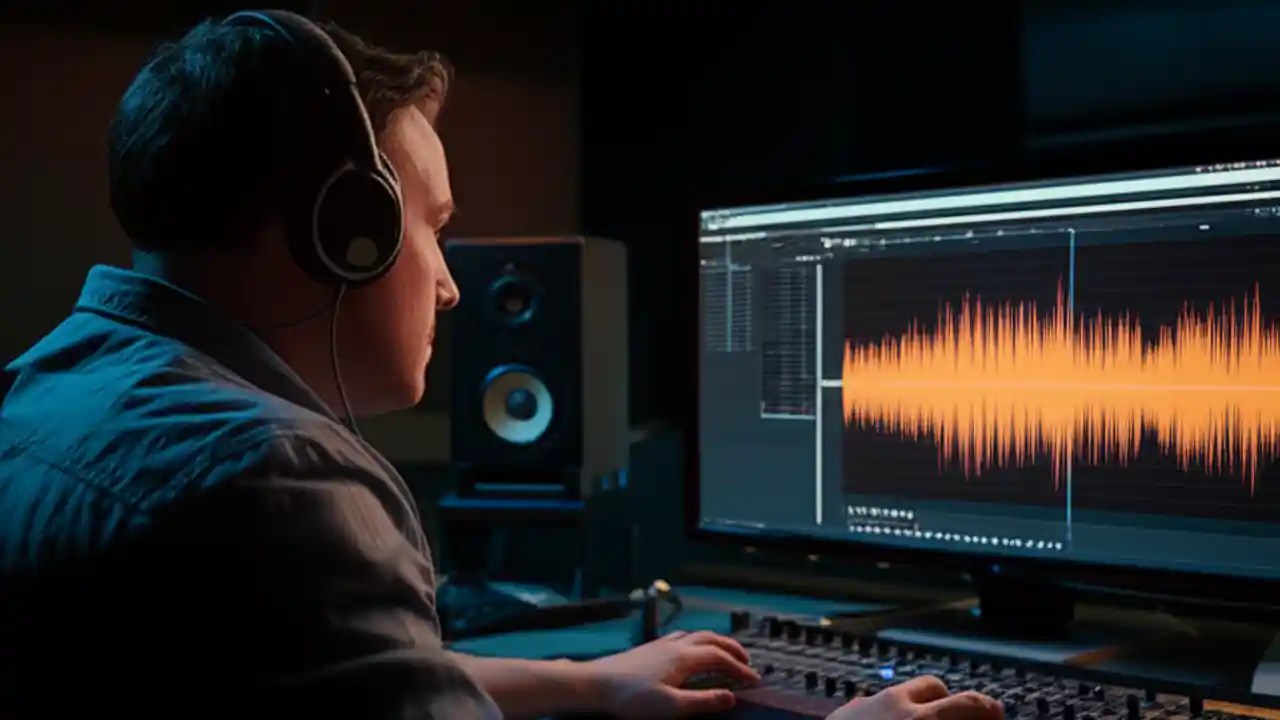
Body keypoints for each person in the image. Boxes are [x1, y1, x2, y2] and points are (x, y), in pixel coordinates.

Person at [0, 10, 1004, 720]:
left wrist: (583, 680)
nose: (447, 285)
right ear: (341, 233)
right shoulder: (276, 481)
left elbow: (343, 678)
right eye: (431, 228)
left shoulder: (39, 396)